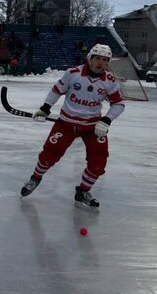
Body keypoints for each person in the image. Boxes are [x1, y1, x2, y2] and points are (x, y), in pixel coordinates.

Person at [20, 44, 125, 213]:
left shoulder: (109, 81)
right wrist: (45, 108)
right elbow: (56, 91)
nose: (100, 63)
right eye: (97, 58)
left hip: (93, 127)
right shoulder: (73, 74)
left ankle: (83, 191)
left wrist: (106, 120)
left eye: (105, 60)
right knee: (49, 154)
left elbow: (118, 104)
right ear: (90, 58)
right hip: (66, 123)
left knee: (99, 161)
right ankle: (35, 178)